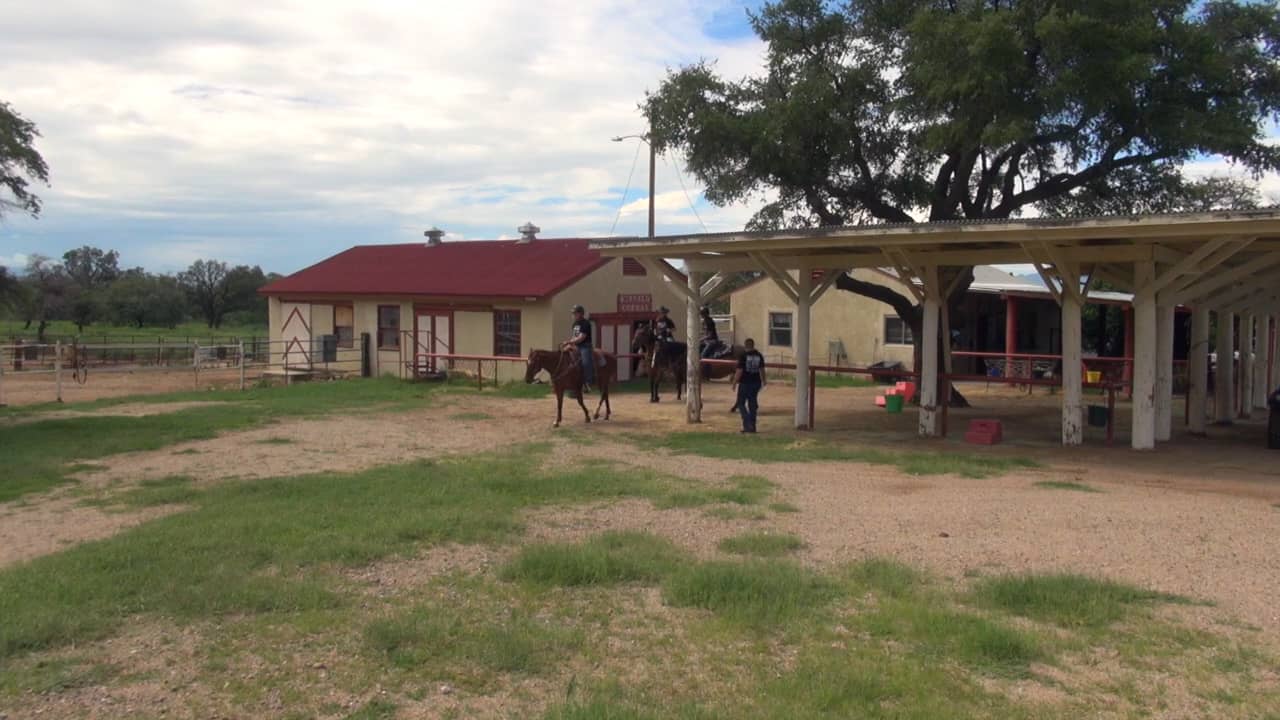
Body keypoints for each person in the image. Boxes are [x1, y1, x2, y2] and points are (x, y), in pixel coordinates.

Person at [732, 338, 766, 433]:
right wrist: (764, 381)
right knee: (752, 404)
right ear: (753, 345)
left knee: (741, 403)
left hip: (745, 383)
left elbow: (739, 371)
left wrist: (734, 383)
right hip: (756, 383)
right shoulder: (759, 355)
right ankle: (753, 426)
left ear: (745, 346)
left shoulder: (743, 356)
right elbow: (762, 369)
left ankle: (747, 424)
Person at [561, 304, 594, 392]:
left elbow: (581, 337)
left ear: (581, 313)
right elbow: (574, 336)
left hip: (585, 346)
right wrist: (568, 344)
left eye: (575, 313)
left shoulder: (586, 323)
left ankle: (588, 383)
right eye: (573, 313)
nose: (574, 315)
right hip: (576, 345)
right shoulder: (575, 324)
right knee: (562, 356)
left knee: (586, 362)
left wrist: (570, 342)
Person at [698, 306, 720, 380]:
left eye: (702, 314)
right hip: (706, 341)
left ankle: (706, 373)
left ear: (705, 314)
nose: (701, 315)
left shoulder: (709, 322)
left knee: (703, 355)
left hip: (712, 341)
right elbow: (704, 333)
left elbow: (710, 335)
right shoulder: (704, 322)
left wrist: (701, 339)